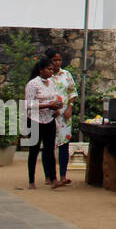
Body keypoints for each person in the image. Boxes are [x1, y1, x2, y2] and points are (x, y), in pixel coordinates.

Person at [25, 55, 66, 190]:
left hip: (49, 119)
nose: (51, 71)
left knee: (49, 150)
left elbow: (54, 98)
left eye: (52, 69)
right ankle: (31, 180)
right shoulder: (33, 84)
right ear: (41, 70)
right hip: (35, 120)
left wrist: (56, 106)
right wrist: (48, 105)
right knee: (34, 150)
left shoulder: (52, 83)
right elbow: (29, 104)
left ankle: (53, 179)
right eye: (49, 69)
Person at [48, 49, 77, 185]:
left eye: (59, 60)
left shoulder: (66, 74)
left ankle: (63, 175)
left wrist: (69, 108)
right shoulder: (45, 75)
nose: (57, 63)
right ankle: (49, 175)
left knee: (64, 145)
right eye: (55, 60)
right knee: (48, 145)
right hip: (49, 114)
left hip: (64, 115)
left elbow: (72, 93)